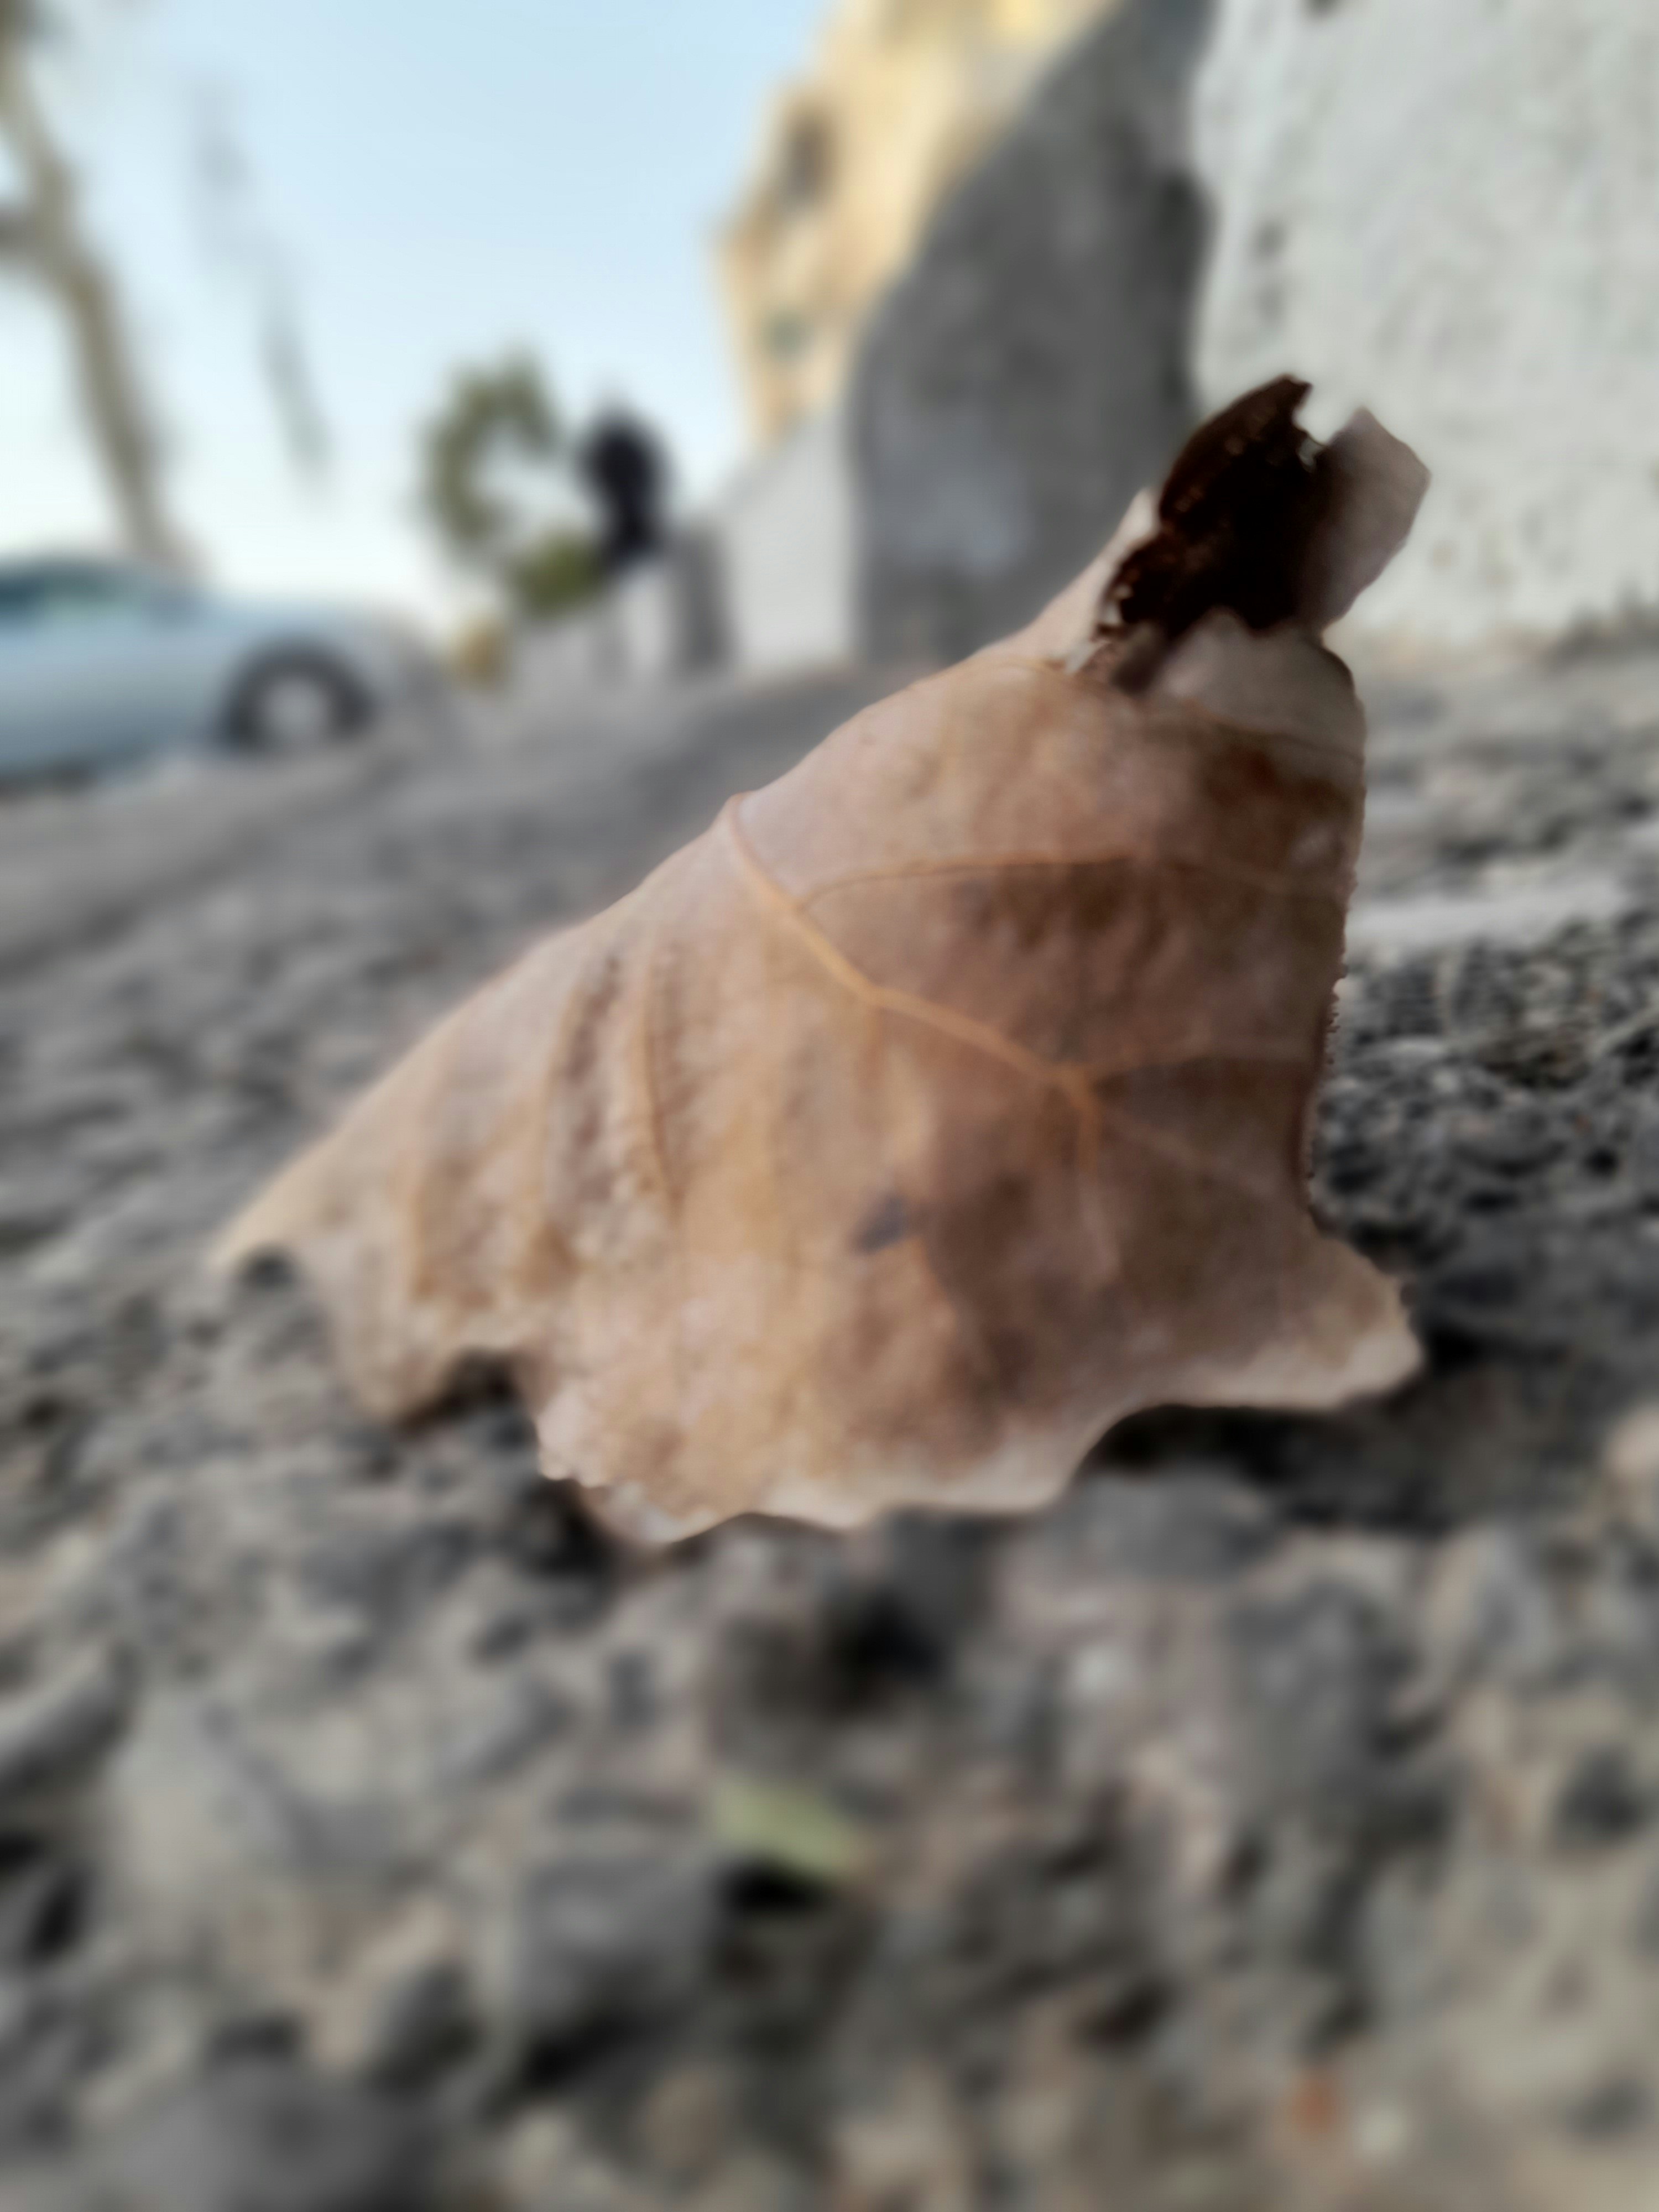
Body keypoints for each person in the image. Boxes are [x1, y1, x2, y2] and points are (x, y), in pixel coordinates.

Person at [577, 406, 667, 576]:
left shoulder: (663, 544)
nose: (623, 482)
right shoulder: (608, 558)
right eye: (616, 475)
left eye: (628, 473)